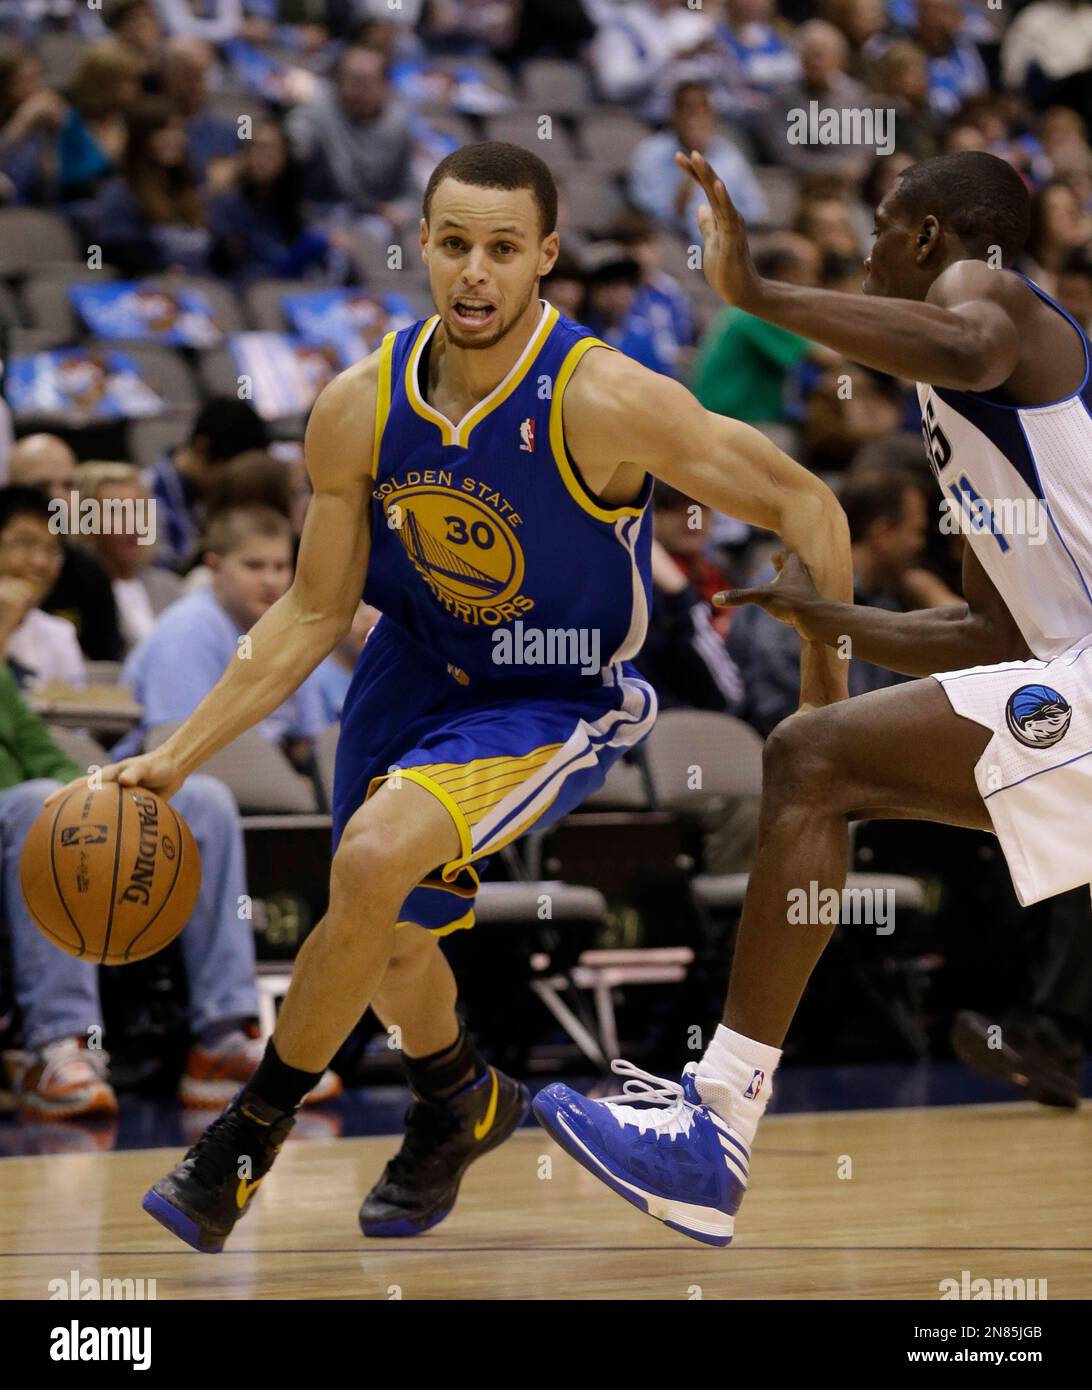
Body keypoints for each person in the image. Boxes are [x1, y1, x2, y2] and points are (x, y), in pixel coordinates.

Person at [46, 139, 852, 1253]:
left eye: (505, 250)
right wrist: (178, 753)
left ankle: (247, 1133)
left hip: (553, 690)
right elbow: (312, 613)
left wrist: (826, 706)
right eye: (456, 245)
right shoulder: (355, 405)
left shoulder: (606, 398)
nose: (476, 273)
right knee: (385, 934)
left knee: (371, 864)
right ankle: (457, 1098)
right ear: (422, 245)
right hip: (411, 671)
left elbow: (812, 510)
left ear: (547, 259)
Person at [532, 146, 1092, 1246]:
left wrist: (760, 295)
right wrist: (833, 622)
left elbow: (966, 339)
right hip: (1071, 680)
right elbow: (990, 629)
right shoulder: (966, 401)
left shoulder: (985, 299)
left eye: (883, 226)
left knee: (809, 757)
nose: (867, 247)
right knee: (823, 759)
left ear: (929, 239)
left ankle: (716, 1127)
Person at [111, 506, 328, 764]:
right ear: (215, 567)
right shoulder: (188, 630)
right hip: (178, 780)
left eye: (280, 567)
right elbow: (176, 741)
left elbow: (309, 739)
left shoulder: (289, 631)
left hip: (268, 780)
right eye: (254, 566)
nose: (270, 580)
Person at [9, 436, 123, 662]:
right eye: (42, 486)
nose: (58, 498)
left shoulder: (90, 574)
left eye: (68, 486)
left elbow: (107, 667)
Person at [629, 81, 767, 244]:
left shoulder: (729, 154)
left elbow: (755, 211)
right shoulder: (650, 153)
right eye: (689, 110)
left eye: (704, 109)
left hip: (726, 244)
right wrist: (693, 167)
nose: (696, 119)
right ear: (673, 115)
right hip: (672, 245)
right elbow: (648, 218)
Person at [143, 397, 269, 572]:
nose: (234, 484)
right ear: (201, 448)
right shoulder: (146, 494)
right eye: (229, 472)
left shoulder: (216, 498)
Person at [75, 462, 184, 652]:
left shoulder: (171, 588)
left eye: (138, 509)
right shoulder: (79, 597)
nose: (133, 524)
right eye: (116, 512)